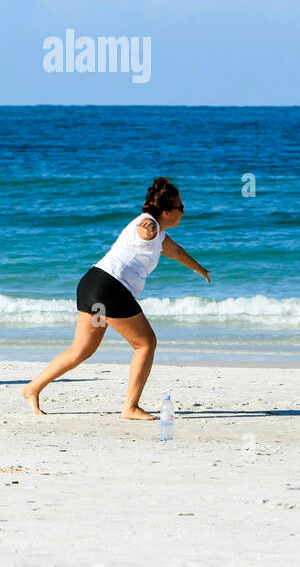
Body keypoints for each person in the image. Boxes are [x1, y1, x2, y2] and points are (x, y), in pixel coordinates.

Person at [21, 178, 211, 419]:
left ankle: (32, 388)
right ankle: (130, 407)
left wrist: (199, 269)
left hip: (93, 285)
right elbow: (145, 227)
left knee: (81, 350)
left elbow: (176, 252)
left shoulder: (160, 235)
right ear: (165, 212)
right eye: (180, 207)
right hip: (110, 288)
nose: (184, 211)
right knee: (145, 343)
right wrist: (148, 226)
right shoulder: (149, 225)